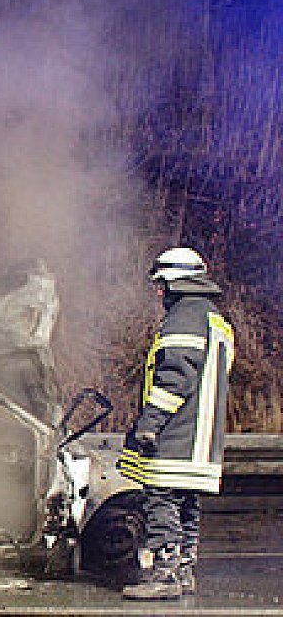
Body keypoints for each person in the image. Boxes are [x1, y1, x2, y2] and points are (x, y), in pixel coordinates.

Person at [118, 247, 235, 600]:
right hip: (203, 435)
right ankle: (184, 572)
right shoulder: (214, 318)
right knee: (186, 502)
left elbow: (175, 377)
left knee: (161, 497)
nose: (158, 293)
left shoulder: (184, 318)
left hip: (178, 433)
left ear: (176, 281)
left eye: (161, 284)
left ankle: (164, 575)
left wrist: (150, 422)